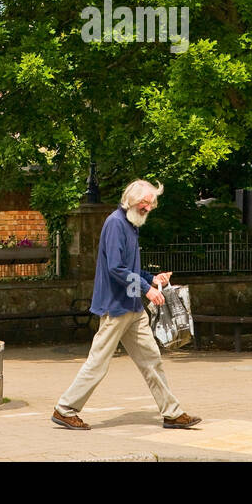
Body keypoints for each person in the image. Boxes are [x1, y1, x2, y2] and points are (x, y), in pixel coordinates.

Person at [52, 179, 202, 430]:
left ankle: (172, 412)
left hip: (132, 308)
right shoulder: (116, 224)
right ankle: (64, 409)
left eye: (152, 203)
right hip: (116, 307)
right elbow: (115, 268)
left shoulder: (131, 224)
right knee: (98, 362)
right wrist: (148, 290)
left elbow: (129, 268)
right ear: (131, 200)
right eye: (145, 202)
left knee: (151, 360)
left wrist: (151, 278)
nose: (149, 207)